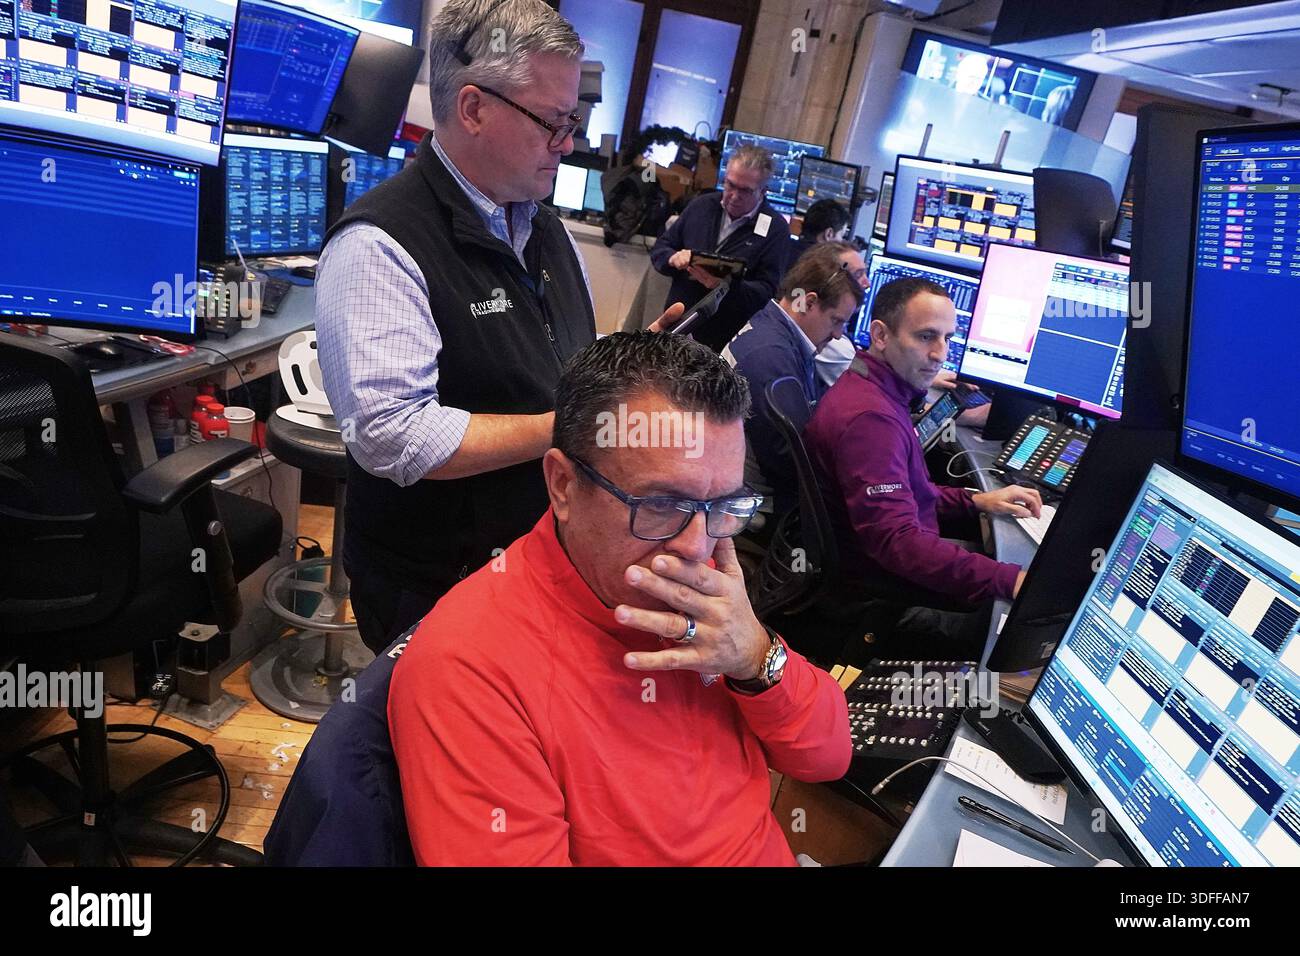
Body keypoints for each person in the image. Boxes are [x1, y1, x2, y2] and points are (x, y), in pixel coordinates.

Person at [388, 332, 852, 866]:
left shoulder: (712, 606)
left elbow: (828, 756)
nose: (697, 545)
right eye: (660, 504)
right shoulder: (469, 667)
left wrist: (756, 659)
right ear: (563, 484)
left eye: (724, 504)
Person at [316, 0, 681, 654]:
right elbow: (391, 436)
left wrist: (624, 373)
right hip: (434, 592)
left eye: (574, 119)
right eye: (551, 121)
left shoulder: (543, 228)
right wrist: (566, 427)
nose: (567, 143)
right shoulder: (380, 245)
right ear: (474, 109)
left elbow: (551, 362)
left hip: (532, 570)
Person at [804, 277, 1041, 650]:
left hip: (871, 573)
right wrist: (1012, 581)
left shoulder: (871, 389)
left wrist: (976, 501)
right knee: (1015, 630)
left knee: (992, 561)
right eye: (926, 337)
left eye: (948, 338)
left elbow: (907, 494)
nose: (940, 354)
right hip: (880, 599)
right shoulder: (871, 421)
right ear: (881, 335)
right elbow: (899, 544)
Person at [721, 241, 863, 523]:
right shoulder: (772, 360)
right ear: (809, 302)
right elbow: (794, 465)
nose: (838, 335)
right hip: (761, 506)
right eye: (836, 321)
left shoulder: (772, 328)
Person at [649, 145, 791, 352]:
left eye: (745, 190)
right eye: (730, 185)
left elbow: (766, 292)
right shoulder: (702, 205)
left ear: (763, 191)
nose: (734, 195)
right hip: (677, 324)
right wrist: (673, 259)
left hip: (726, 339)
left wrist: (725, 286)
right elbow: (661, 248)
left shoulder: (775, 228)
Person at [784, 198, 851, 271]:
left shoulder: (781, 246)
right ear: (829, 234)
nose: (841, 241)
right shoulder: (821, 271)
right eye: (841, 236)